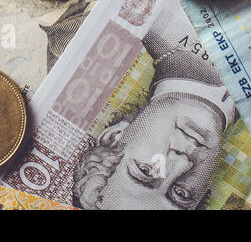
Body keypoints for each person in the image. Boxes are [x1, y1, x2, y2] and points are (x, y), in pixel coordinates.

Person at [72, 20, 237, 210]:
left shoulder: (155, 24)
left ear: (115, 137)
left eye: (145, 170)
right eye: (181, 195)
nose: (183, 163)